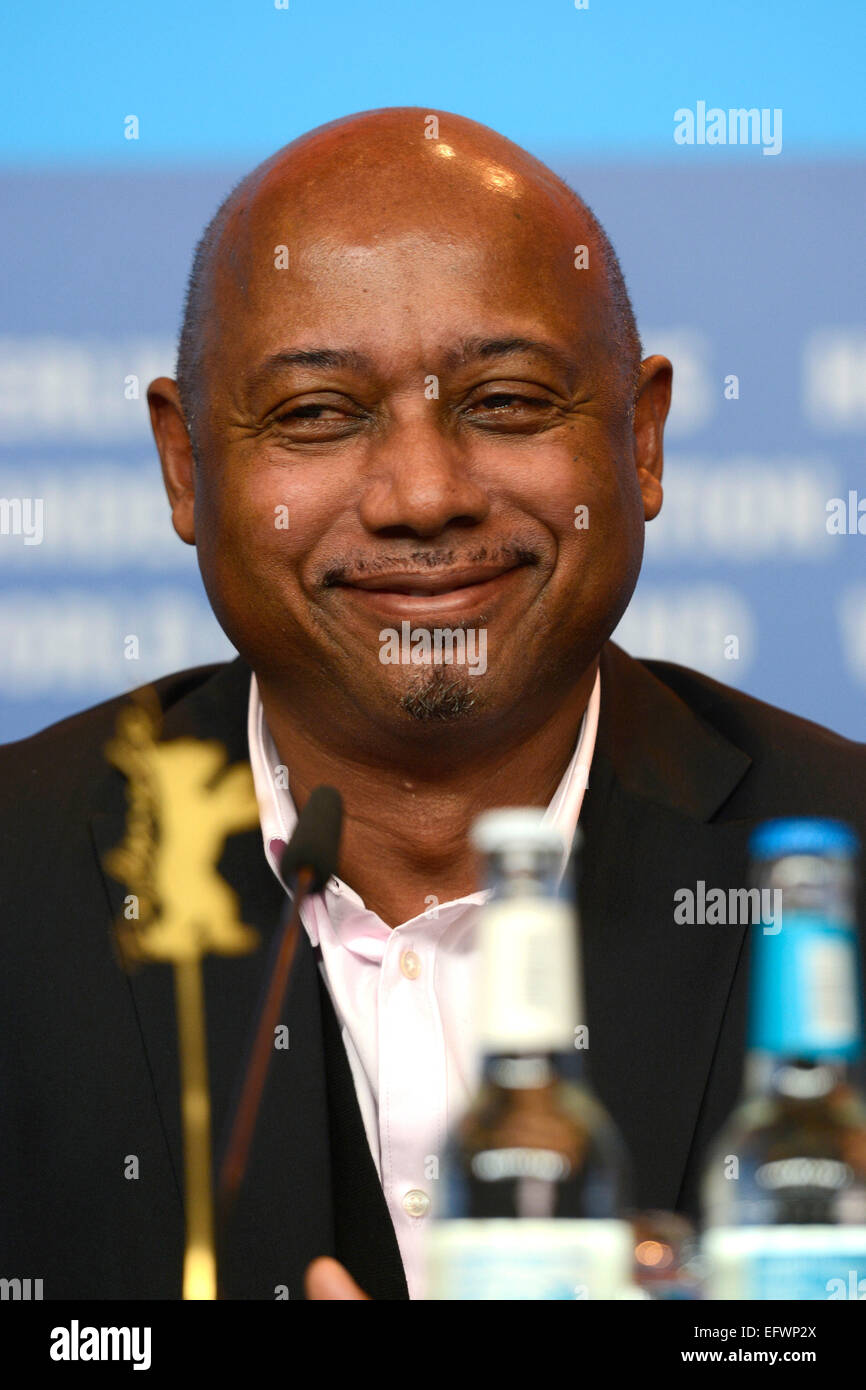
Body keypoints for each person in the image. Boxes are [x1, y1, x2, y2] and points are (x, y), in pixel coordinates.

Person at [2, 107, 863, 1301]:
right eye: (315, 414)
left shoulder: (838, 865)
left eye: (504, 402)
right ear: (185, 466)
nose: (421, 494)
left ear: (642, 438)